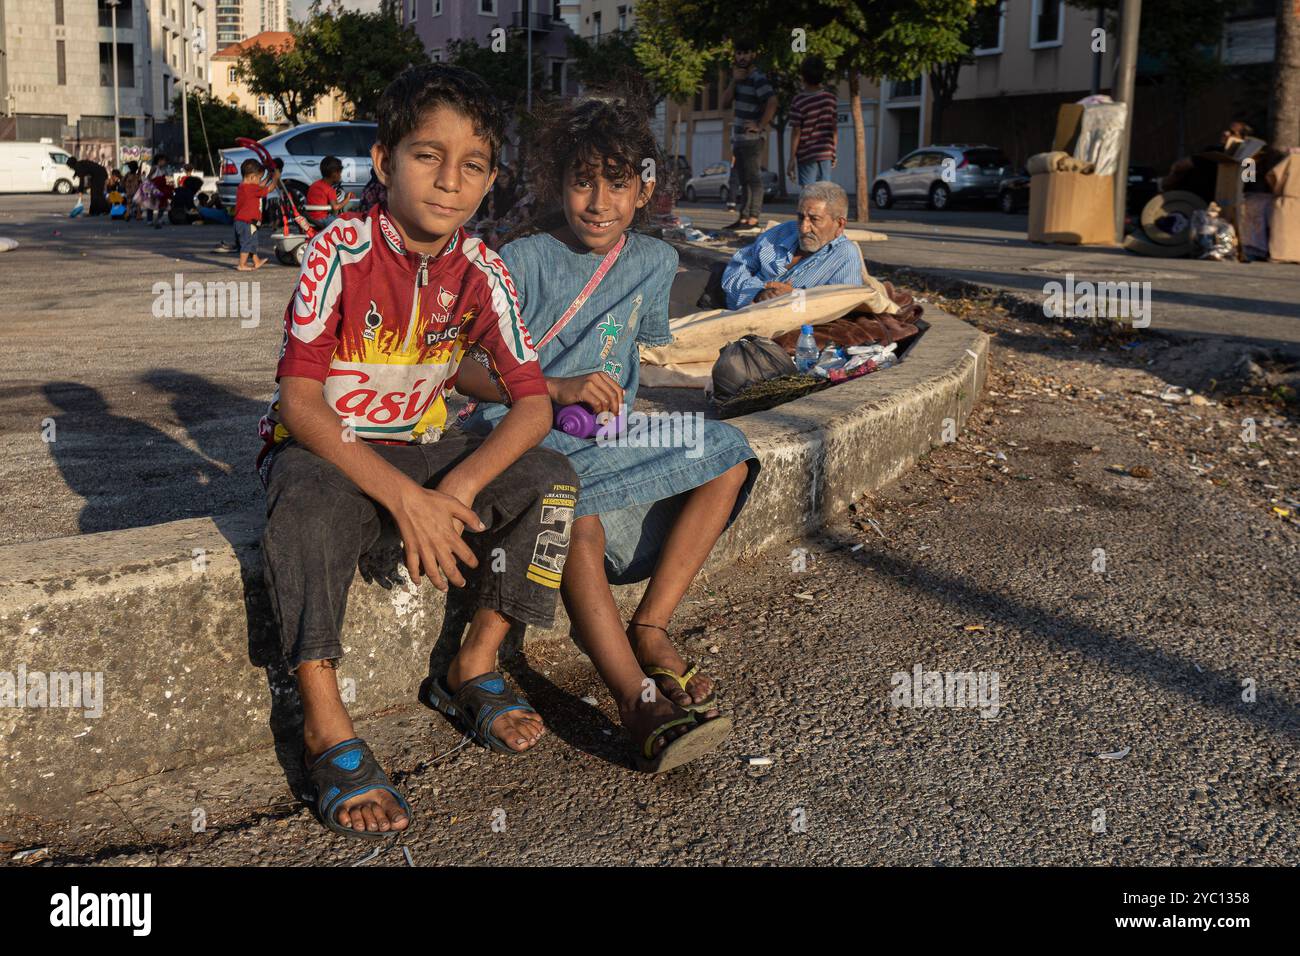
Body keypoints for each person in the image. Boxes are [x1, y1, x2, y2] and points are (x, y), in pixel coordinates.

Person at [258, 63, 577, 838]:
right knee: (301, 504)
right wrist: (408, 501)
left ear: (491, 179)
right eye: (428, 156)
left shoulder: (482, 270)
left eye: (472, 165)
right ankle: (324, 717)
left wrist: (458, 488)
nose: (449, 181)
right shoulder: (338, 251)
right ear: (384, 162)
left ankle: (474, 663)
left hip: (424, 449)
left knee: (557, 482)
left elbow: (532, 403)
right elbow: (301, 407)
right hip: (327, 452)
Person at [457, 97, 758, 773]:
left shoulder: (654, 261)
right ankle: (636, 700)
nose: (598, 202)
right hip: (522, 433)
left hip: (604, 436)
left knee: (727, 455)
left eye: (617, 184)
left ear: (644, 189)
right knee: (580, 520)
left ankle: (649, 626)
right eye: (582, 182)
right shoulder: (526, 258)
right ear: (558, 185)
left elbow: (629, 358)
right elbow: (464, 370)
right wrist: (555, 389)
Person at [722, 181, 863, 309]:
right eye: (801, 217)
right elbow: (736, 269)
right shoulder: (781, 233)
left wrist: (794, 298)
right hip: (738, 315)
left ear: (839, 224)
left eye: (815, 219)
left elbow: (841, 307)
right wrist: (757, 293)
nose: (803, 228)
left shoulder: (845, 255)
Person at [720, 39, 777, 234]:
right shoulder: (739, 78)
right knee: (743, 180)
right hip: (739, 139)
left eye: (746, 53)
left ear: (753, 55)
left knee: (754, 179)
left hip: (752, 140)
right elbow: (725, 103)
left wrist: (760, 126)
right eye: (739, 53)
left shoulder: (757, 77)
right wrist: (734, 80)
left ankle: (753, 218)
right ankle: (743, 218)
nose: (742, 57)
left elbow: (772, 101)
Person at [786, 55, 838, 187]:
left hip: (806, 155)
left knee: (808, 196)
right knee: (823, 196)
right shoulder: (830, 99)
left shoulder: (798, 101)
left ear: (803, 76)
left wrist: (791, 159)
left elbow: (796, 132)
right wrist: (833, 152)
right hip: (826, 153)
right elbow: (834, 129)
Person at [233, 158, 278, 270]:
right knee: (247, 243)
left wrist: (268, 177)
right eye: (259, 178)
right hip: (247, 222)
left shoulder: (243, 186)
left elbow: (259, 186)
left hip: (242, 222)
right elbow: (269, 189)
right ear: (252, 177)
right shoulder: (251, 189)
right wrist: (275, 178)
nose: (259, 180)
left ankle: (256, 261)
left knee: (252, 242)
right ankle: (242, 265)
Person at [303, 155, 354, 229]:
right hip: (323, 219)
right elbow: (336, 207)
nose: (340, 176)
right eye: (339, 173)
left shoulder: (314, 185)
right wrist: (347, 199)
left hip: (311, 218)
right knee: (345, 223)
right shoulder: (330, 190)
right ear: (334, 174)